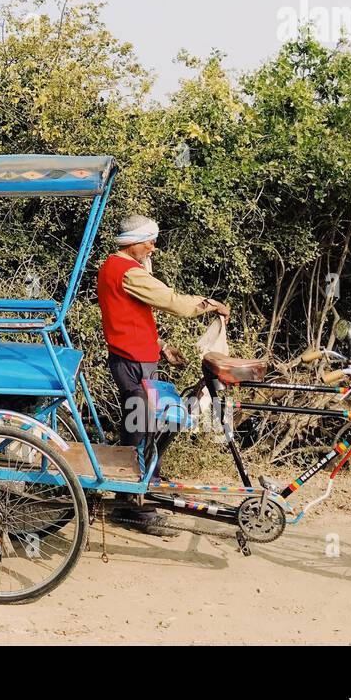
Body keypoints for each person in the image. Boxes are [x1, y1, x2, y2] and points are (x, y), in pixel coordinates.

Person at [96, 214, 229, 536]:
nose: (153, 247)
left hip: (136, 357)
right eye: (150, 241)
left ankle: (138, 489)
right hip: (132, 363)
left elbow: (128, 318)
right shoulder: (127, 272)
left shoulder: (117, 268)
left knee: (145, 427)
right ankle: (130, 507)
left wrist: (162, 347)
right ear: (134, 242)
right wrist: (211, 305)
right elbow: (174, 302)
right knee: (140, 429)